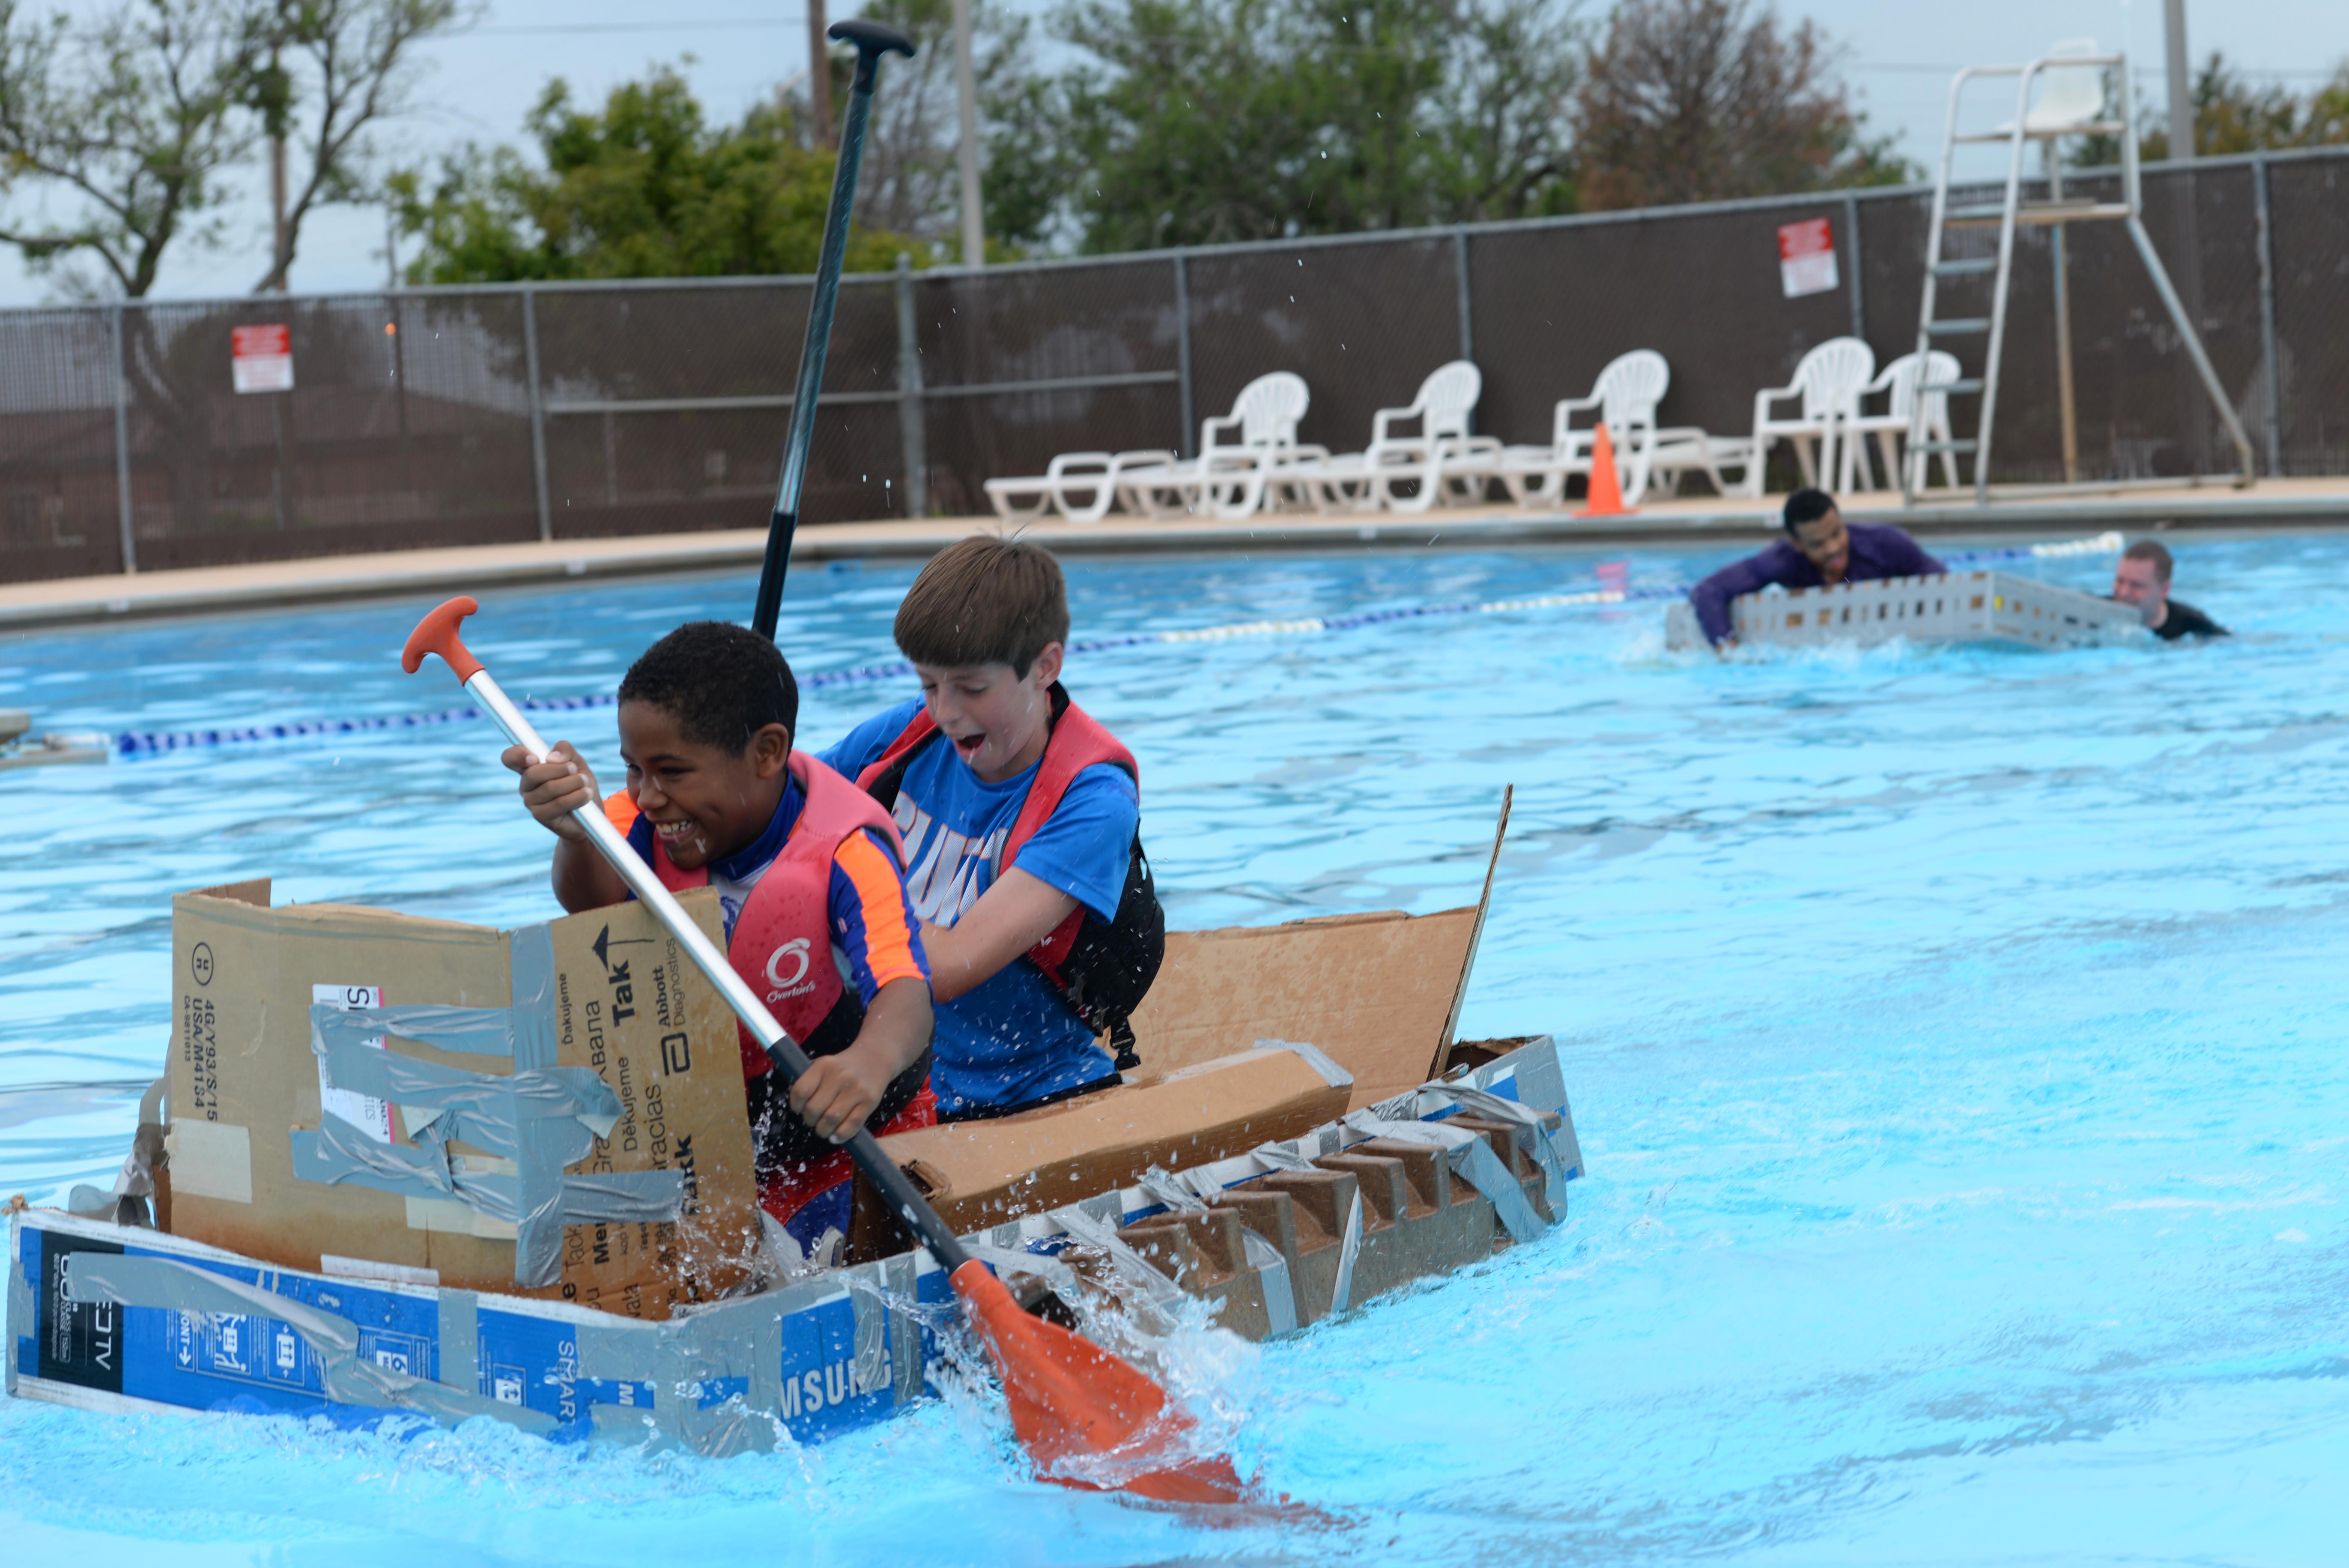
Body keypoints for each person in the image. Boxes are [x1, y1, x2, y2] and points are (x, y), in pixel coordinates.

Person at [502, 621, 935, 1254]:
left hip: (858, 1140)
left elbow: (906, 992)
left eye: (672, 772)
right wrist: (577, 835)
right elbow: (590, 903)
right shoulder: (637, 822)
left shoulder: (847, 850)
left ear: (767, 752)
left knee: (816, 1258)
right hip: (718, 1149)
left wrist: (870, 1061)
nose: (649, 797)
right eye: (633, 770)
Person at [820, 536, 1162, 1123]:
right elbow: (784, 803)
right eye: (929, 684)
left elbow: (949, 966)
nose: (945, 712)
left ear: (1045, 667)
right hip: (895, 1080)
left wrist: (829, 897)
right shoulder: (910, 736)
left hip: (1027, 1097)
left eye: (972, 688)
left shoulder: (1094, 800)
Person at [1688, 487, 1948, 648]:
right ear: (1797, 544)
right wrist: (1728, 651)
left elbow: (1944, 583)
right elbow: (1708, 591)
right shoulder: (1784, 560)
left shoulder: (1884, 543)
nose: (1833, 548)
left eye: (1837, 533)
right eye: (1818, 544)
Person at [2111, 538, 2228, 640]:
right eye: (2120, 581)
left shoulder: (2193, 625)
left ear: (2164, 590)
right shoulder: (2100, 610)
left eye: (2137, 585)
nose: (2124, 593)